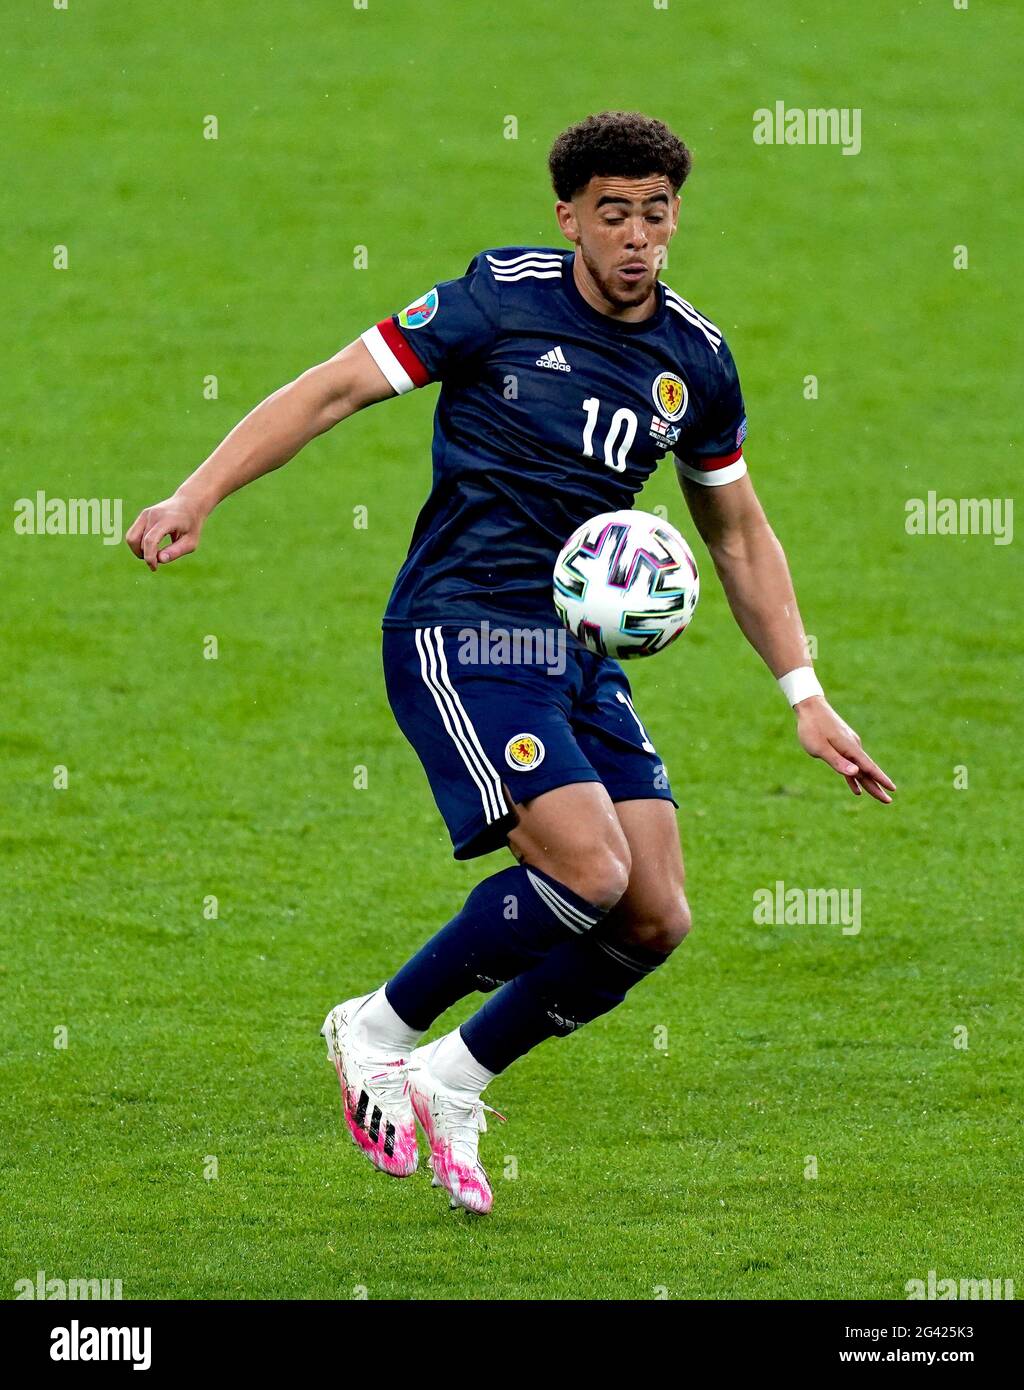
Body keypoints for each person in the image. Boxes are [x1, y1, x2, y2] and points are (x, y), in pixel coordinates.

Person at [126, 111, 895, 1215]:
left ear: (678, 215)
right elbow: (335, 387)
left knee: (654, 913)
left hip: (572, 652)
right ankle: (376, 1027)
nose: (637, 235)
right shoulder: (497, 295)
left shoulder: (695, 359)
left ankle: (451, 1078)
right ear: (569, 216)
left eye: (657, 212)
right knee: (589, 871)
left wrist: (804, 695)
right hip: (464, 626)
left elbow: (735, 532)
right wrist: (196, 493)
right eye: (613, 212)